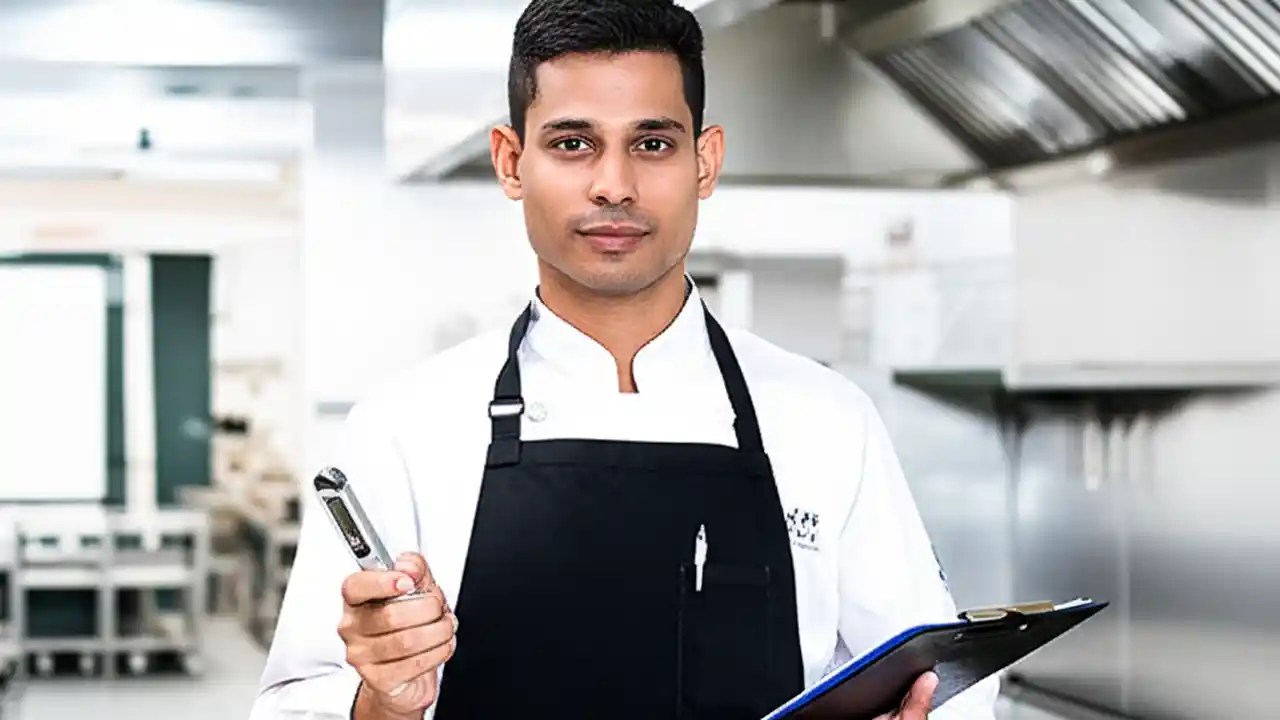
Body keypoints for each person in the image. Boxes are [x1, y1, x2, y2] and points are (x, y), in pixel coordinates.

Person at [253, 0, 1000, 718]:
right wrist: (382, 702)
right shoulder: (406, 428)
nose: (614, 185)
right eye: (573, 143)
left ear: (705, 162)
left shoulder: (826, 419)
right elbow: (293, 707)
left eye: (652, 143)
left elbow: (943, 682)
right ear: (511, 163)